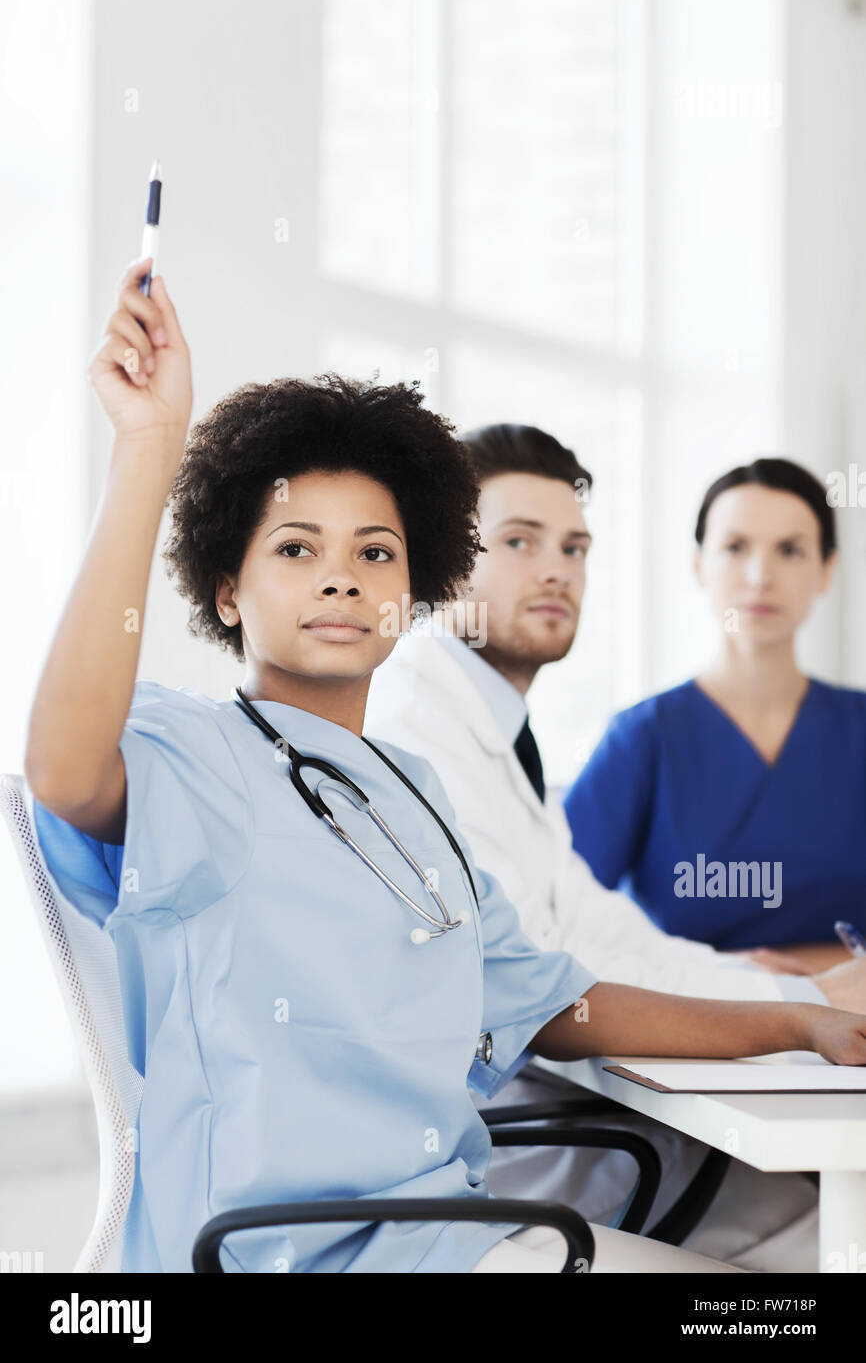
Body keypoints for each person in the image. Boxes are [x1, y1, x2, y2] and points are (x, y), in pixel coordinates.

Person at [23, 266, 866, 1275]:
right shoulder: (193, 753)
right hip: (297, 1258)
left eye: (376, 553)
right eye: (295, 547)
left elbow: (558, 1004)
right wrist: (147, 448)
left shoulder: (410, 793)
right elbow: (65, 771)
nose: (341, 573)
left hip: (455, 1235)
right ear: (227, 589)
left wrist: (796, 1018)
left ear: (414, 590)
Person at [364, 424, 866, 1270]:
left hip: (556, 1112)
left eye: (576, 547)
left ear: (827, 570)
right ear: (444, 558)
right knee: (826, 1230)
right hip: (491, 1142)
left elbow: (600, 931)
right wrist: (800, 1004)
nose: (557, 568)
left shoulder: (491, 735)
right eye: (519, 541)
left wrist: (801, 990)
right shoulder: (418, 731)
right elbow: (552, 983)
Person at [564, 457, 866, 963]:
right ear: (699, 565)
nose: (759, 576)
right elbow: (560, 923)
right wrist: (738, 977)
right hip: (694, 1035)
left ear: (826, 570)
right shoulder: (643, 738)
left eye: (789, 550)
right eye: (735, 547)